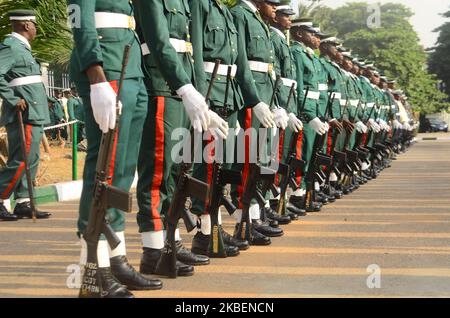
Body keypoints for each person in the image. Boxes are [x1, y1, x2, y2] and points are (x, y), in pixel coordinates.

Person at [68, 0, 162, 297]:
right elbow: (80, 18)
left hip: (130, 67)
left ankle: (116, 258)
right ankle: (92, 269)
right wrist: (95, 76)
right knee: (104, 169)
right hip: (105, 66)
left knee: (123, 170)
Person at [133, 0, 228, 277]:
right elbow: (160, 42)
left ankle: (170, 240)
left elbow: (190, 51)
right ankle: (152, 249)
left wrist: (200, 98)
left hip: (181, 89)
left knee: (175, 172)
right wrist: (185, 88)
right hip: (161, 84)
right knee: (157, 170)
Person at [0, 10, 52, 221]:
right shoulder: (11, 47)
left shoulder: (23, 48)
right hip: (25, 111)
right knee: (22, 159)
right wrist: (13, 99)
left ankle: (23, 202)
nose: (35, 29)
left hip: (34, 111)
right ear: (26, 25)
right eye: (34, 24)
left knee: (31, 160)